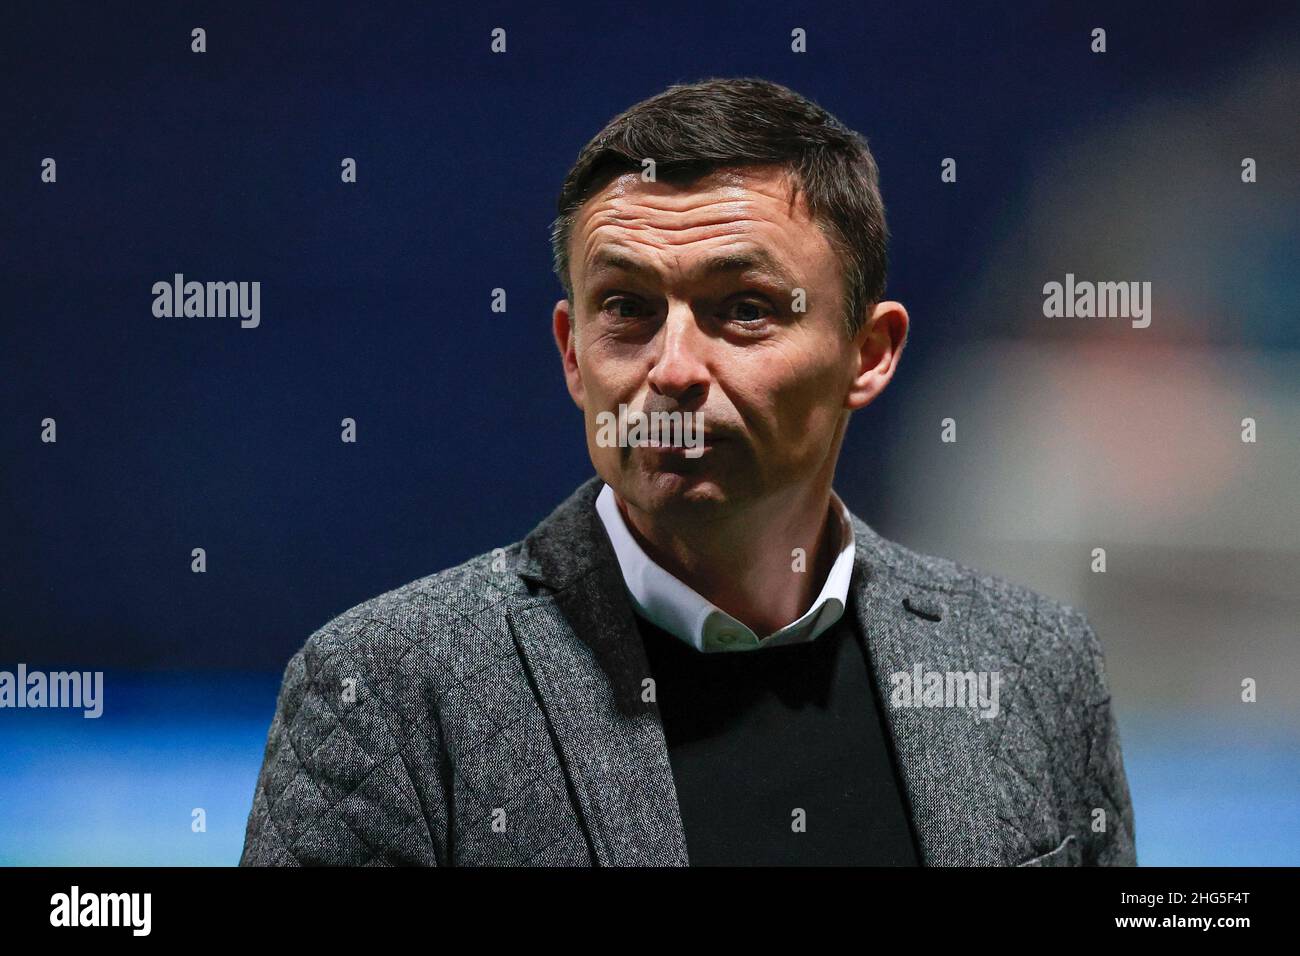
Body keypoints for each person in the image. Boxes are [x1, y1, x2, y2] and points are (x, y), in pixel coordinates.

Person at [240, 76, 1135, 866]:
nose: (671, 368)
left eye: (743, 309)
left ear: (869, 353)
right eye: (626, 309)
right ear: (572, 354)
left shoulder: (1032, 663)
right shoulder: (388, 689)